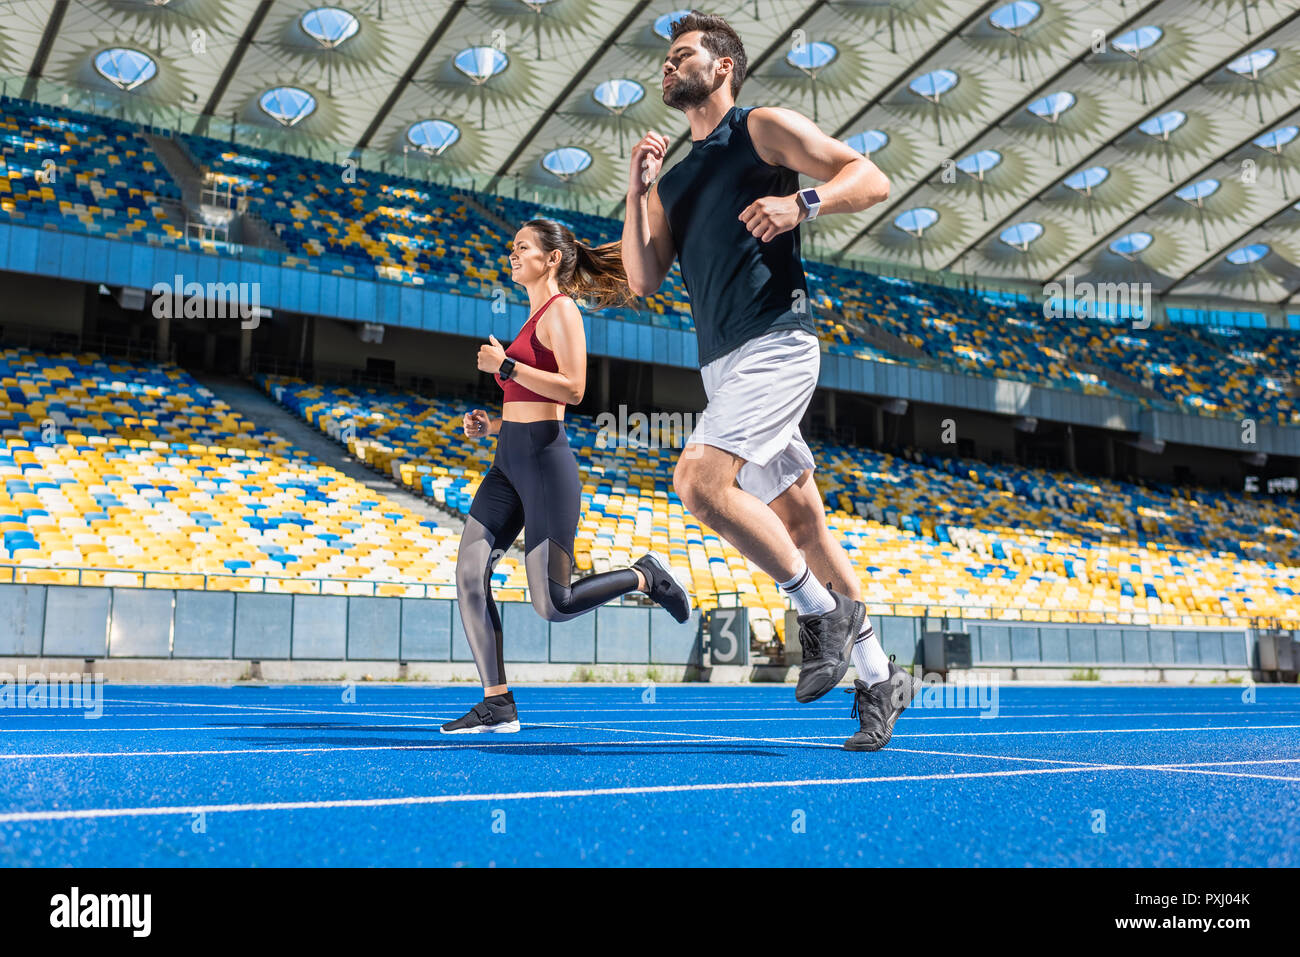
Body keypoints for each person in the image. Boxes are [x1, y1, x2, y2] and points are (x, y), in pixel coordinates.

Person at [620, 10, 915, 751]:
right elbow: (642, 277)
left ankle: (819, 613)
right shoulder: (676, 177)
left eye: (681, 54)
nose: (668, 65)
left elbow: (870, 176)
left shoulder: (760, 127)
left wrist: (800, 203)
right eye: (665, 58)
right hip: (723, 365)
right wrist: (638, 190)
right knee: (806, 522)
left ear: (722, 66)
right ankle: (880, 677)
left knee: (698, 481)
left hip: (777, 343)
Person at [443, 218, 692, 734]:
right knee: (469, 575)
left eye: (522, 247)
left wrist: (505, 368)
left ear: (551, 259)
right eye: (512, 246)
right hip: (506, 464)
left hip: (545, 468)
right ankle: (497, 703)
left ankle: (645, 575)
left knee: (553, 604)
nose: (512, 254)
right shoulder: (530, 317)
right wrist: (489, 423)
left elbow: (573, 390)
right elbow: (527, 404)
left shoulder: (563, 312)